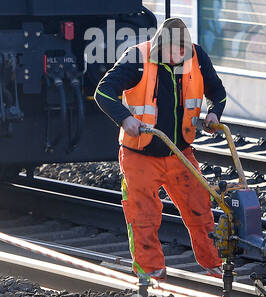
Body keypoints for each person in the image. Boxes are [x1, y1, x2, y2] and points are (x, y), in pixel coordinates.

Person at [94, 18, 228, 279]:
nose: (178, 57)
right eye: (173, 51)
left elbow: (218, 91)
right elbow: (104, 92)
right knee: (143, 216)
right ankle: (151, 275)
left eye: (182, 51)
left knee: (200, 210)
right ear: (160, 46)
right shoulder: (136, 59)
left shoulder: (196, 55)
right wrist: (125, 118)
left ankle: (215, 266)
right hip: (140, 155)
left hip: (180, 154)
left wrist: (215, 113)